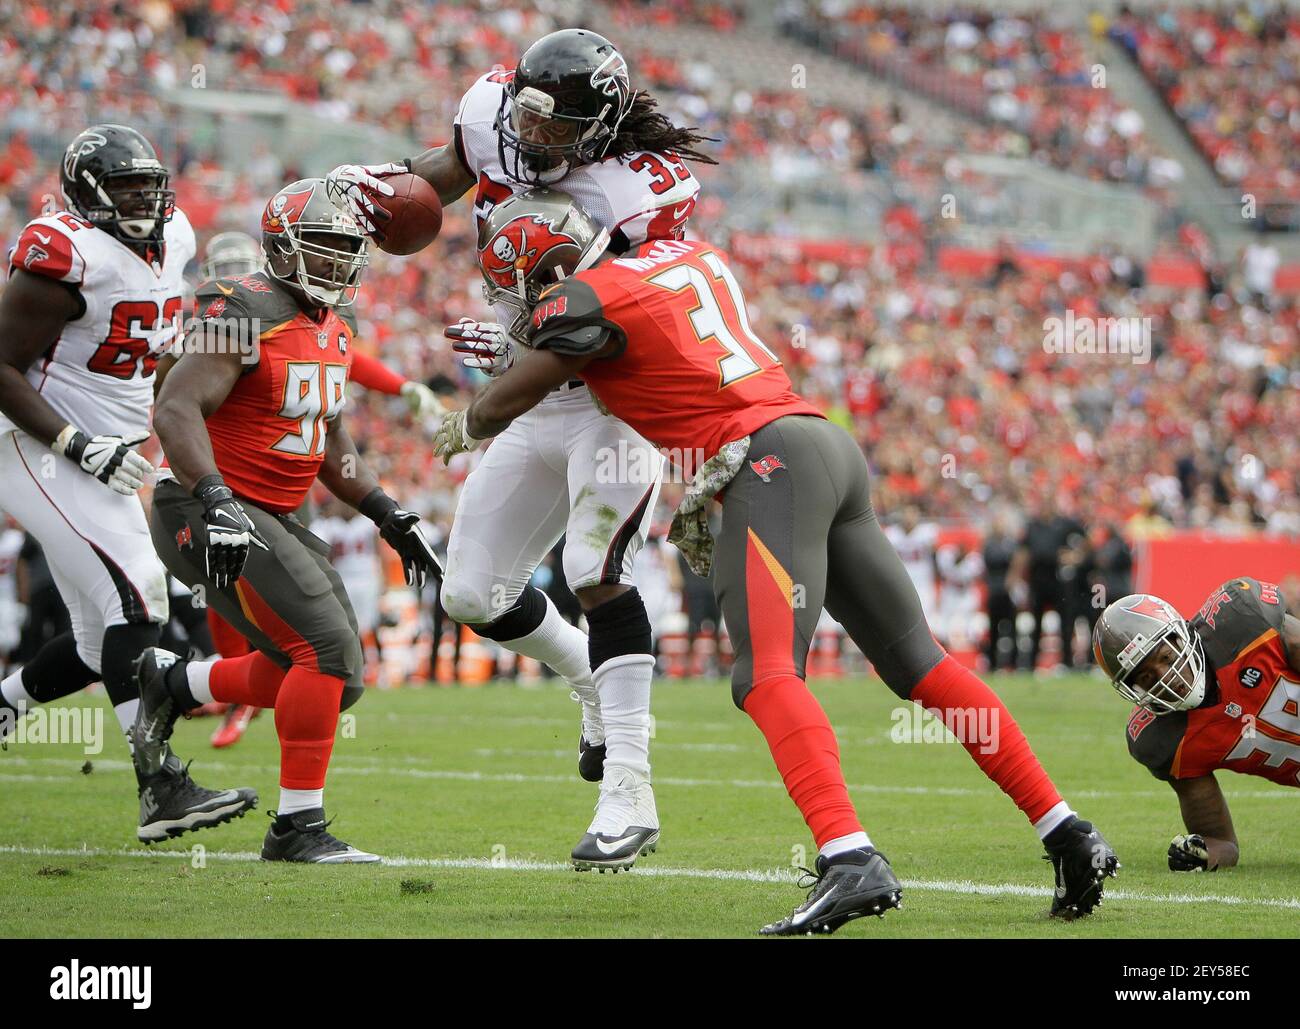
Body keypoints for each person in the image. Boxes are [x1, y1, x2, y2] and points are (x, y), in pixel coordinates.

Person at [433, 187, 1118, 932]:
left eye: (521, 295)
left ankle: (849, 856)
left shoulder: (580, 300)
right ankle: (1067, 828)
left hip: (764, 466)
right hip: (820, 442)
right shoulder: (686, 255)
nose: (516, 309)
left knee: (763, 675)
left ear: (548, 275)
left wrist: (466, 421)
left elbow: (519, 391)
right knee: (922, 662)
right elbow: (628, 346)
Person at [326, 28, 717, 865]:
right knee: (468, 593)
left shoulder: (639, 194)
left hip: (613, 398)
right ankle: (586, 677)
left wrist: (501, 379)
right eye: (526, 120)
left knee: (594, 570)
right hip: (537, 399)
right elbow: (437, 180)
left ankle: (631, 791)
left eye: (555, 127)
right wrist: (373, 187)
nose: (532, 138)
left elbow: (608, 329)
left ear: (602, 124)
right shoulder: (489, 112)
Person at [134, 178, 441, 863]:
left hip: (266, 511)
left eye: (348, 249)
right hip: (204, 505)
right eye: (325, 247)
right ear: (283, 247)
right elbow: (176, 410)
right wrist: (215, 500)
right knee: (325, 650)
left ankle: (177, 683)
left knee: (343, 677)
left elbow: (332, 450)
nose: (341, 262)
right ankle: (297, 826)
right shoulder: (244, 308)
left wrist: (389, 512)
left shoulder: (333, 328)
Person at [0, 124, 256, 841]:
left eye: (149, 186)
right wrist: (75, 442)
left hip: (108, 449)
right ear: (86, 192)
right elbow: (2, 367)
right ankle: (161, 786)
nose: (142, 200)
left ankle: (5, 705)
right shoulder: (63, 253)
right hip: (33, 444)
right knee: (138, 594)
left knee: (95, 640)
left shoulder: (174, 236)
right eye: (124, 188)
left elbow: (151, 343)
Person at [1095, 580, 1300, 871]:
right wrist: (1201, 854)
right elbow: (1221, 841)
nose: (1167, 677)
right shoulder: (1166, 739)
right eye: (1147, 679)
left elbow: (1294, 640)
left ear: (1181, 636)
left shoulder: (1242, 623)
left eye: (1166, 658)